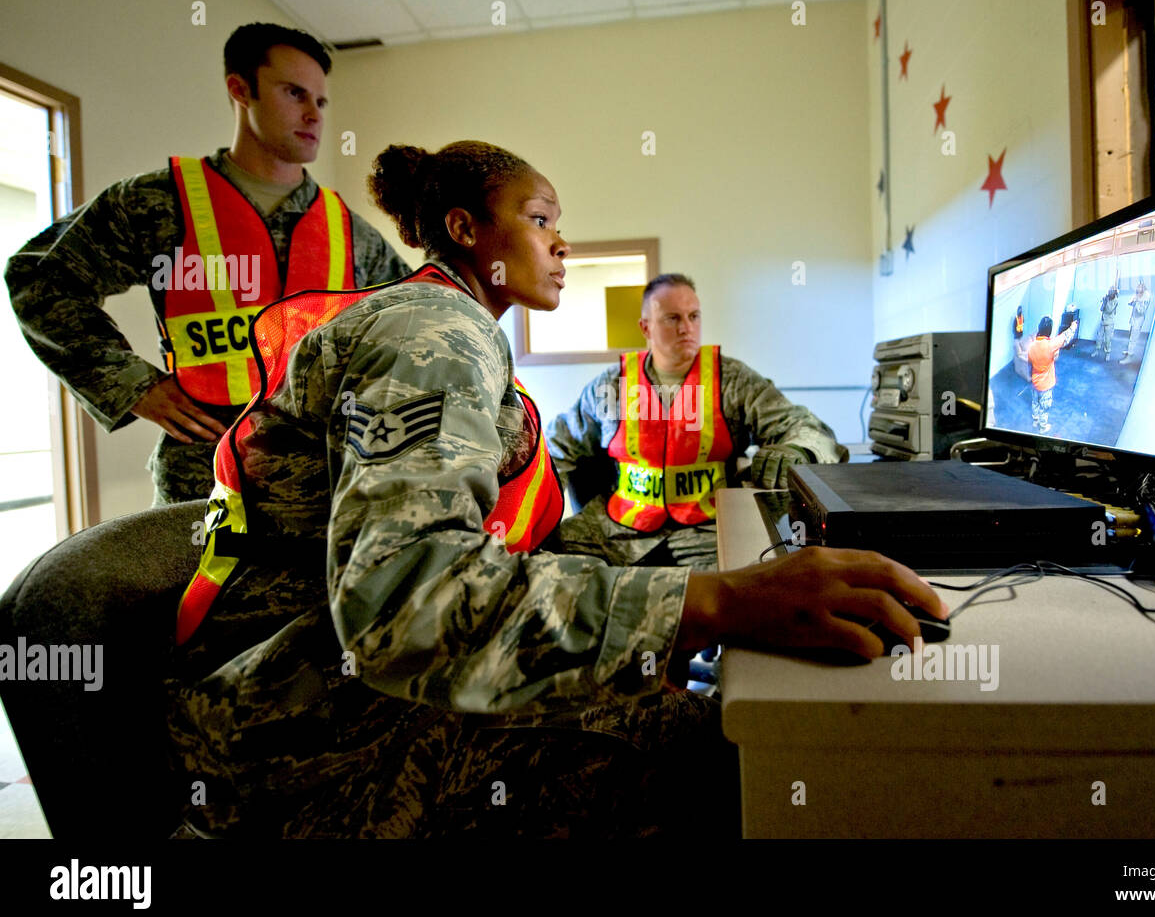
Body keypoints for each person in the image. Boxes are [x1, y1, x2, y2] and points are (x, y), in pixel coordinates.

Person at [167, 140, 945, 838]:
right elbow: (404, 600)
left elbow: (511, 527)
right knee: (727, 753)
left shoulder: (463, 330)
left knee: (688, 699)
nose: (562, 242)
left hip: (336, 689)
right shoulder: (433, 333)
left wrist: (643, 626)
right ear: (468, 230)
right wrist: (713, 604)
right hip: (310, 738)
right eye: (540, 218)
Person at [4, 23, 408, 504]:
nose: (312, 114)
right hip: (201, 487)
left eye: (320, 102)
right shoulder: (159, 203)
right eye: (294, 93)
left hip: (321, 490)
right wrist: (131, 384)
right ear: (240, 90)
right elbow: (41, 276)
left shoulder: (348, 232)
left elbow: (414, 322)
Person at [546, 274, 848, 569]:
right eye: (673, 318)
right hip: (616, 531)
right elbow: (554, 449)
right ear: (645, 327)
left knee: (756, 586)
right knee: (544, 567)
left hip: (710, 530)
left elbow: (806, 427)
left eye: (694, 316)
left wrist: (797, 449)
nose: (687, 328)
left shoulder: (733, 380)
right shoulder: (611, 385)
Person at [1027, 314, 1076, 434]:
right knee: (1044, 407)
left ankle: (1035, 420)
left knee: (1035, 402)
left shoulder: (1031, 346)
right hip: (1046, 384)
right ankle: (1043, 427)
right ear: (1049, 330)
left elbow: (1030, 362)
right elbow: (1065, 337)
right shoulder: (1050, 345)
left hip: (1034, 382)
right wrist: (1073, 327)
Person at [1120, 279, 1151, 363]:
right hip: (1134, 319)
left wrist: (1137, 301)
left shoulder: (1145, 298)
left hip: (1138, 320)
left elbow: (1141, 311)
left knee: (1133, 338)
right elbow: (1131, 304)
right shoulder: (1138, 295)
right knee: (1131, 336)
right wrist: (1133, 301)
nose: (1137, 293)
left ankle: (1129, 356)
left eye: (1138, 291)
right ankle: (1129, 351)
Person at [1093, 286, 1119, 360]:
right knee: (1099, 337)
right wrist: (1104, 302)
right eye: (1109, 291)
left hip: (1109, 322)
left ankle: (1108, 353)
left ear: (1114, 293)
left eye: (1111, 291)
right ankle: (1097, 350)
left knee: (1107, 339)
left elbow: (1109, 310)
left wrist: (1106, 302)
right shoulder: (1106, 299)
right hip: (1103, 320)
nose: (1109, 293)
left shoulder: (1115, 300)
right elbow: (1101, 309)